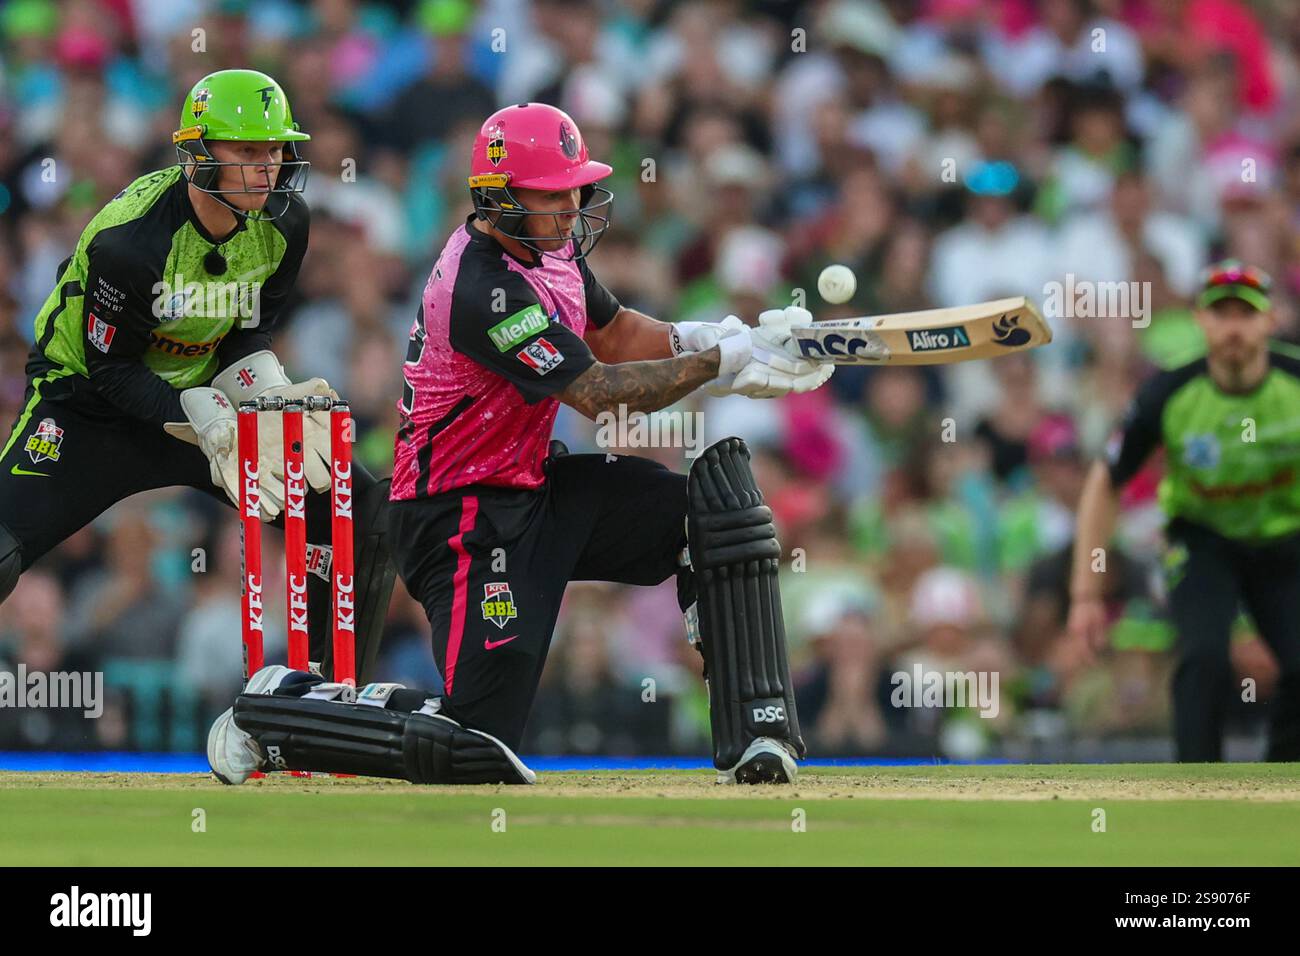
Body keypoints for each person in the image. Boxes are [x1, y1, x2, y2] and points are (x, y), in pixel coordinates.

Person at [208, 102, 832, 786]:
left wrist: (711, 335)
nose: (570, 207)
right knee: (473, 746)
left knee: (714, 511)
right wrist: (725, 364)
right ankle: (274, 712)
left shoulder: (548, 249)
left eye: (574, 189)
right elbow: (598, 394)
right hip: (460, 517)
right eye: (551, 194)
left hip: (534, 484)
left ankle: (757, 737)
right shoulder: (484, 289)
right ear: (498, 199)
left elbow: (616, 332)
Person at [0, 69, 396, 682]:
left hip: (209, 408)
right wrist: (200, 414)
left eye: (274, 149)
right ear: (196, 154)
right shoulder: (128, 243)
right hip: (88, 409)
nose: (267, 167)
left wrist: (263, 386)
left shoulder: (287, 222)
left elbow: (246, 330)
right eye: (246, 151)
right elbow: (111, 367)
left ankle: (323, 695)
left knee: (359, 512)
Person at [1068, 260, 1300, 761]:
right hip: (1203, 542)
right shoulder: (1168, 394)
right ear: (1200, 320)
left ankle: (1284, 783)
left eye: (1246, 313)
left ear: (1270, 321)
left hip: (1287, 544)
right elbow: (1105, 481)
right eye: (1221, 314)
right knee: (1204, 659)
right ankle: (1198, 788)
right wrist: (1086, 593)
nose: (1233, 327)